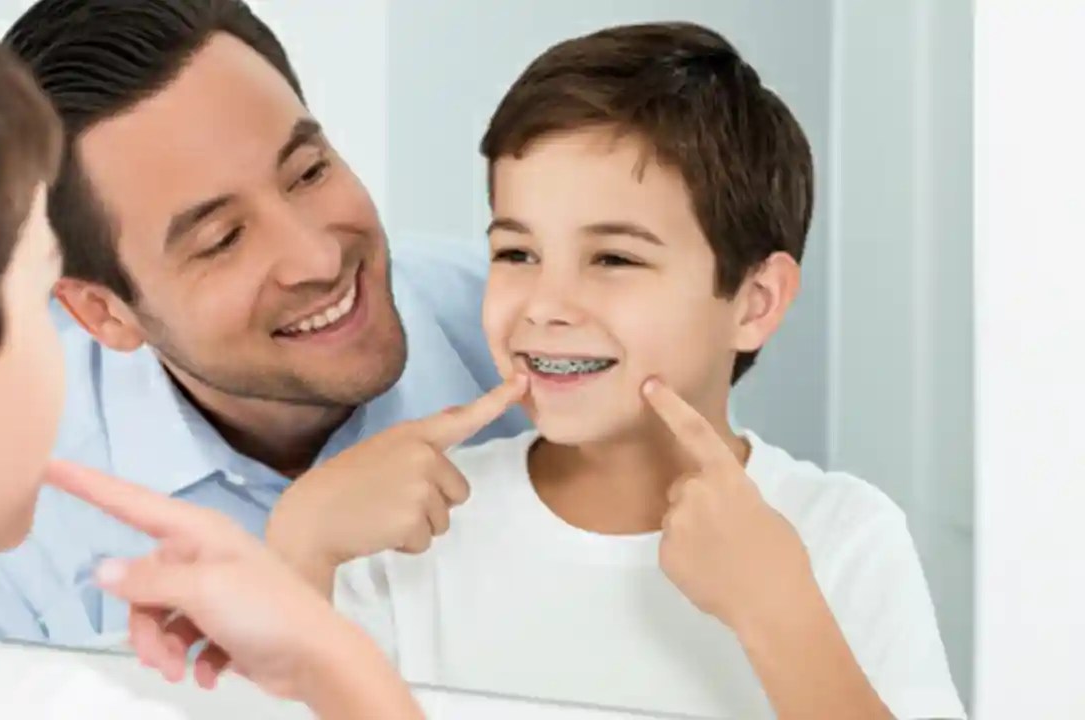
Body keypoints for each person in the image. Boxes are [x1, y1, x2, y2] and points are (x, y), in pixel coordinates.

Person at [323, 22, 968, 720]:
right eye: (517, 253)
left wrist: (781, 618)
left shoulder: (842, 537)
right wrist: (304, 543)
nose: (546, 305)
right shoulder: (413, 527)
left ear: (754, 302)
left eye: (614, 259)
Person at [0, 0, 423, 717]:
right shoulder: (45, 701)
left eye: (309, 172)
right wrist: (330, 657)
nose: (316, 259)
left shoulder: (503, 319)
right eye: (36, 291)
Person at [0, 0, 530, 645]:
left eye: (309, 172)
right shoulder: (5, 523)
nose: (319, 258)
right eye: (223, 240)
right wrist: (293, 565)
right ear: (103, 312)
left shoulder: (533, 333)